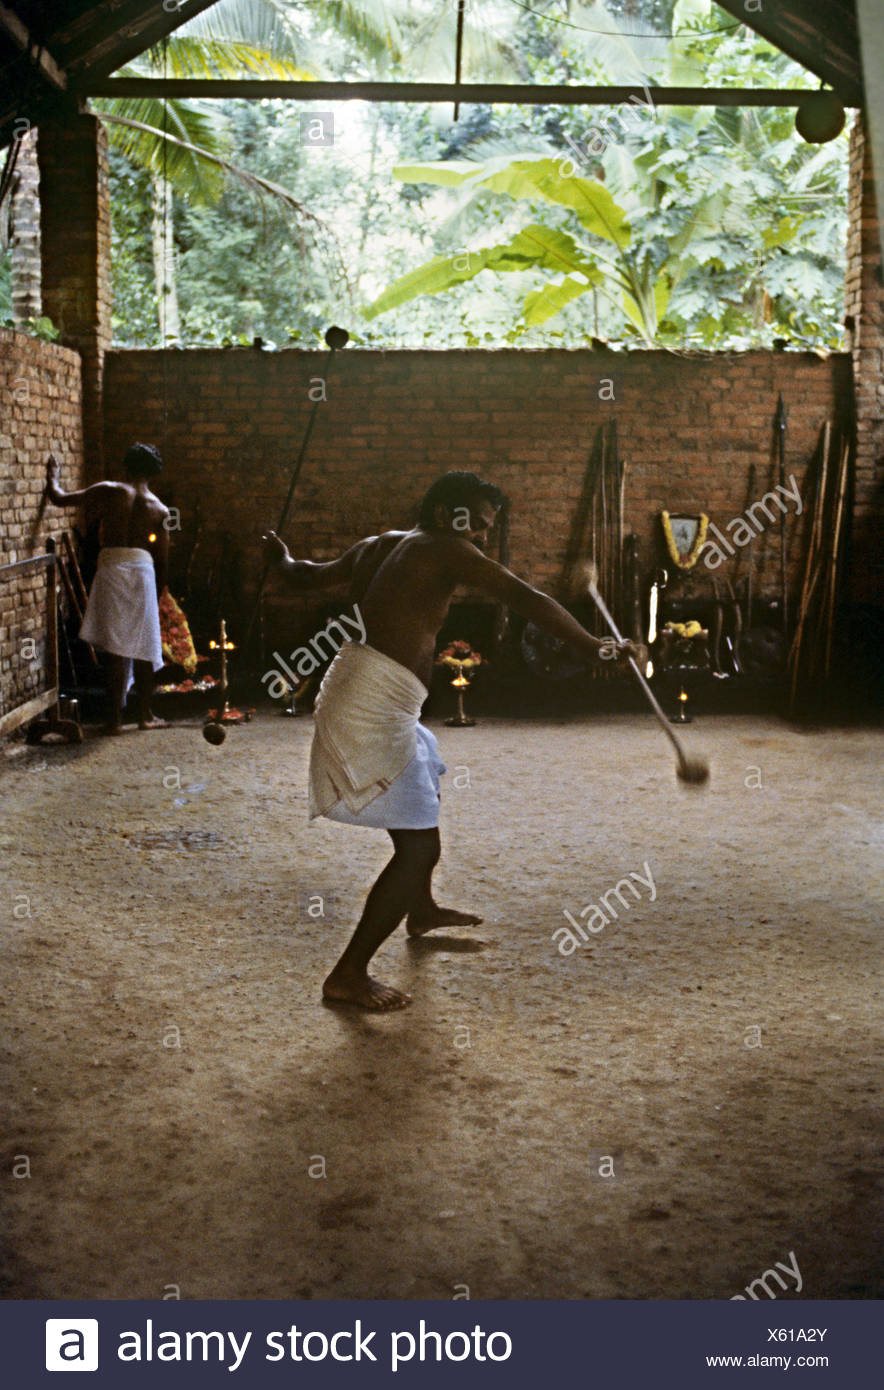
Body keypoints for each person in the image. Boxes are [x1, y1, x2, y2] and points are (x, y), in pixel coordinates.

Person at [262, 469, 643, 1012]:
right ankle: (347, 974)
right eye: (478, 525)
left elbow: (304, 576)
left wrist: (278, 558)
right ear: (445, 514)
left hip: (362, 689)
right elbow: (526, 597)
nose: (483, 538)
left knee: (424, 797)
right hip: (371, 702)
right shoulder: (447, 548)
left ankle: (421, 911)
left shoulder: (378, 545)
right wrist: (593, 646)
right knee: (419, 849)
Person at [45, 444, 170, 733]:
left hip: (113, 568)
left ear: (126, 466)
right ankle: (145, 716)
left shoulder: (111, 490)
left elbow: (60, 498)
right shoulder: (160, 508)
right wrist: (161, 592)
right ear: (153, 472)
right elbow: (163, 558)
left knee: (115, 647)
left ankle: (114, 720)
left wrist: (53, 475)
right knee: (144, 643)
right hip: (142, 571)